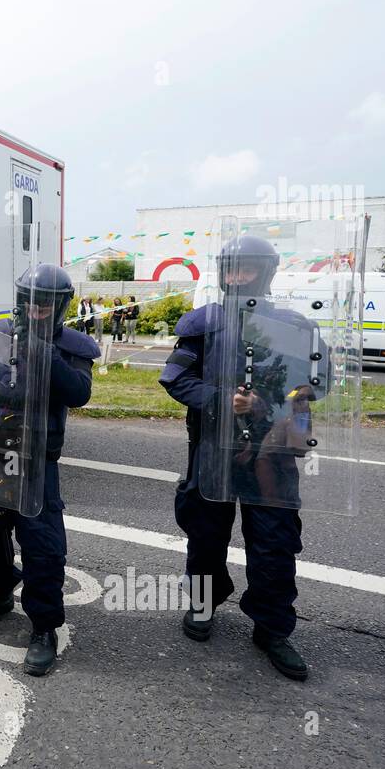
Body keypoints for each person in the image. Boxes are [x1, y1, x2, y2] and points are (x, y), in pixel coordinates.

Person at [158, 235, 313, 681]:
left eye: (247, 268)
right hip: (213, 449)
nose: (237, 276)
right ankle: (203, 606)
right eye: (231, 268)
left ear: (266, 272)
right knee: (205, 536)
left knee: (275, 543)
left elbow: (310, 387)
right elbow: (176, 379)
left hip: (271, 452)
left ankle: (273, 628)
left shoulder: (291, 325)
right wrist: (222, 399)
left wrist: (272, 405)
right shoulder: (203, 323)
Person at [0, 264, 99, 677]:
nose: (38, 310)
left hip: (37, 460)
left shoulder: (72, 345)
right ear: (21, 300)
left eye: (47, 304)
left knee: (43, 547)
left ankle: (42, 628)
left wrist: (41, 348)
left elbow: (79, 393)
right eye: (32, 302)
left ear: (60, 306)